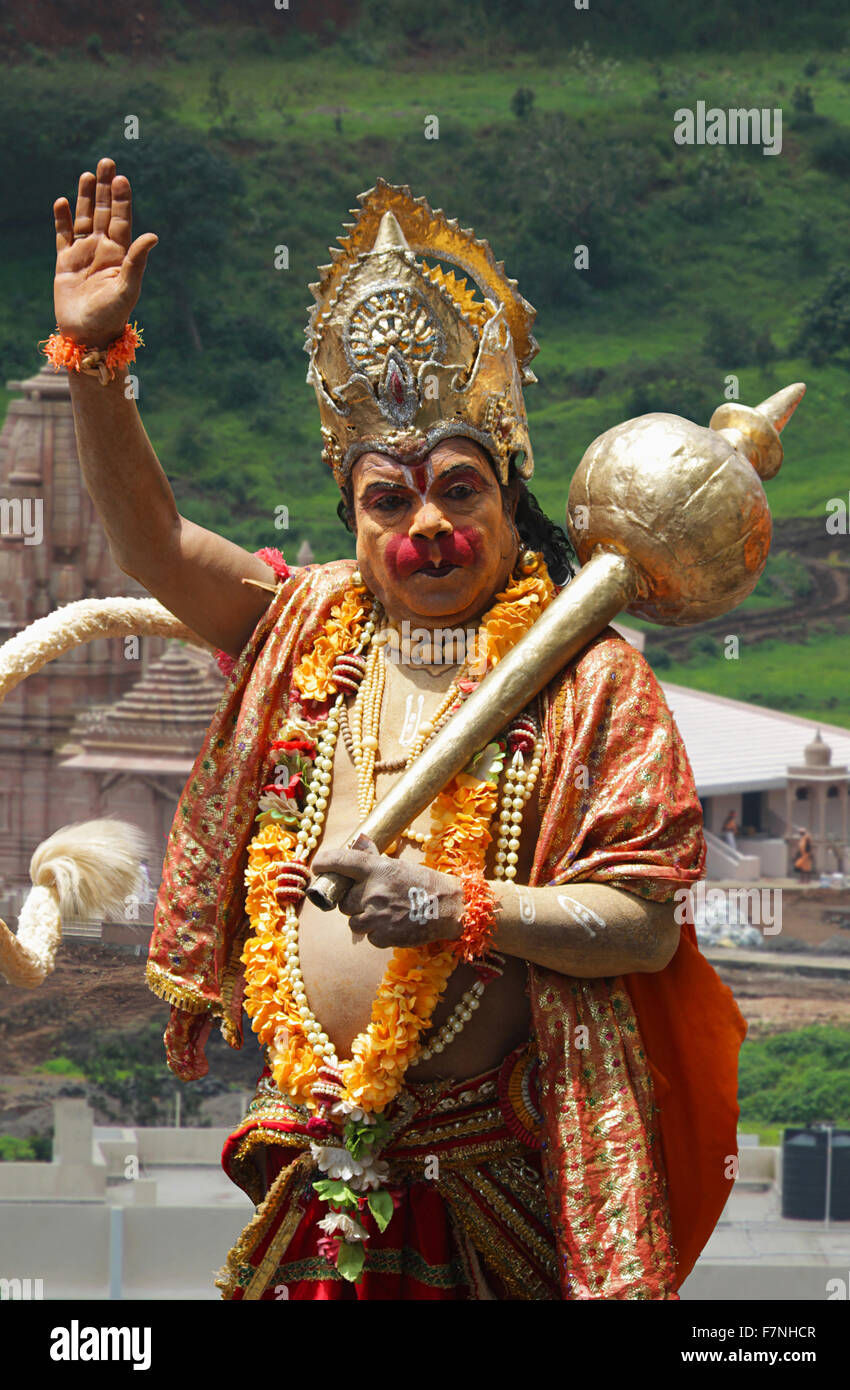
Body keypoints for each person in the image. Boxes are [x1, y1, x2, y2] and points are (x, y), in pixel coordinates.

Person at [48, 158, 746, 1300]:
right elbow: (157, 549)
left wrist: (460, 909)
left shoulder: (594, 681)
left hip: (497, 1193)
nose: (426, 524)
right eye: (389, 498)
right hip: (321, 1171)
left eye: (458, 490)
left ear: (507, 498)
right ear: (353, 519)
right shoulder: (308, 624)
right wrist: (94, 362)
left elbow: (640, 926)